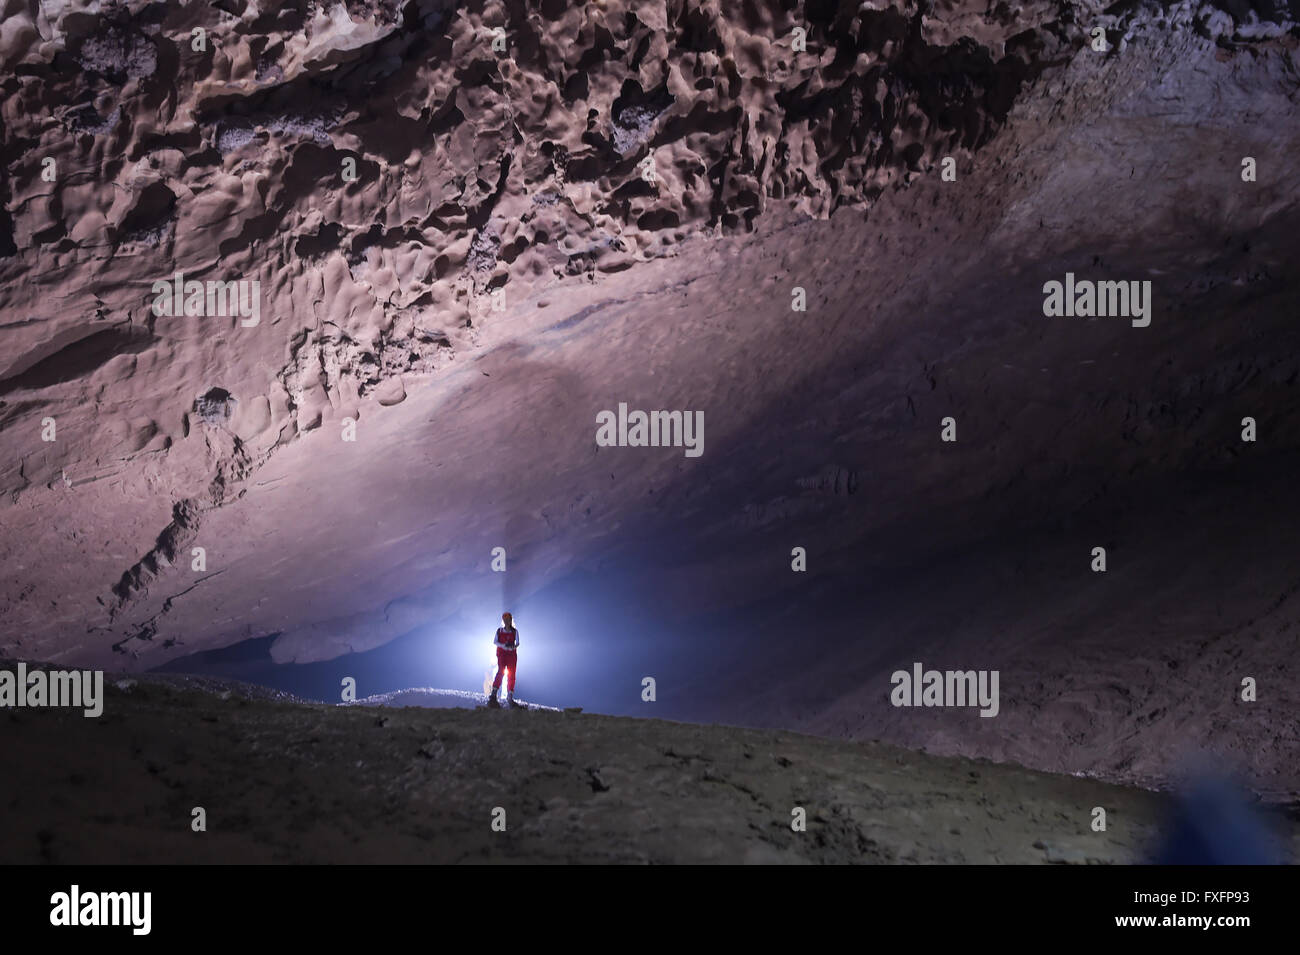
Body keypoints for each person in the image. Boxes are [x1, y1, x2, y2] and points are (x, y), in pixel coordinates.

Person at [488, 612, 521, 708]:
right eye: (505, 619)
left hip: (511, 655)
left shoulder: (515, 631)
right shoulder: (499, 631)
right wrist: (504, 646)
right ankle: (494, 694)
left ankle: (509, 696)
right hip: (502, 654)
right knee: (501, 672)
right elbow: (495, 641)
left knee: (511, 674)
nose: (507, 621)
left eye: (508, 619)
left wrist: (512, 647)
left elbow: (518, 643)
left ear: (511, 620)